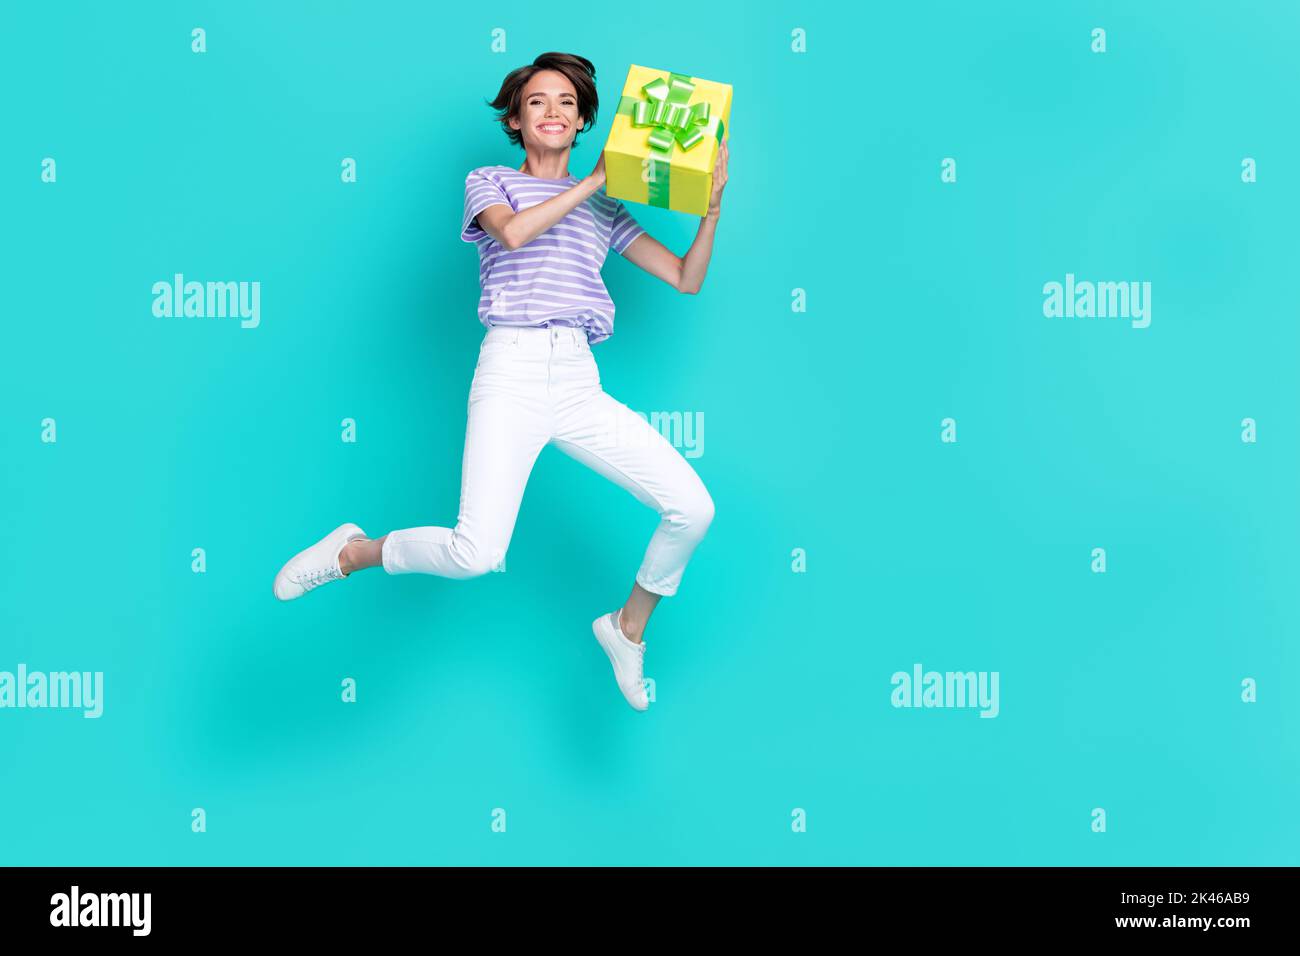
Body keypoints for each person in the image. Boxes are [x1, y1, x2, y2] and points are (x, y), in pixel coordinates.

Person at [273, 52, 729, 711]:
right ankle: (350, 552)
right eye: (539, 102)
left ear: (583, 124)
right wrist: (598, 180)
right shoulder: (489, 182)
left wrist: (709, 209)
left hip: (577, 381)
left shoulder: (605, 211)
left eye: (568, 104)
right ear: (516, 119)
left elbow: (686, 278)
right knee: (475, 553)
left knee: (694, 508)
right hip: (509, 373)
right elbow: (513, 235)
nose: (553, 112)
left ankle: (627, 630)